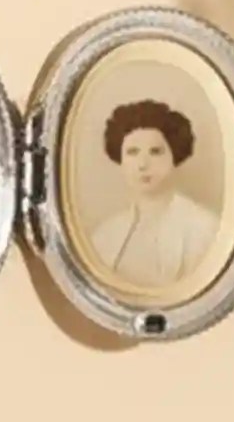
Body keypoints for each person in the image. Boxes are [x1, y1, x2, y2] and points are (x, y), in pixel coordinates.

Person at [90, 100, 218, 287]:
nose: (143, 164)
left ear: (174, 155)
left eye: (156, 152)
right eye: (132, 152)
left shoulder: (204, 229)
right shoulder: (105, 235)